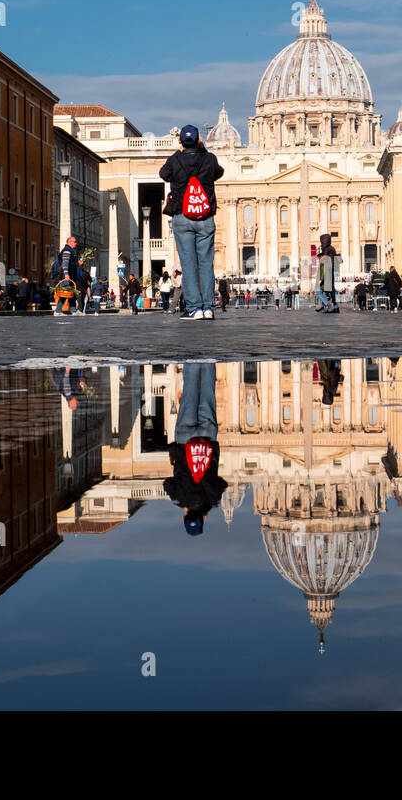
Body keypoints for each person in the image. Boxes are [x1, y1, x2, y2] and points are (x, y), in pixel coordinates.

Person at [160, 124, 224, 320]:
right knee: (206, 264)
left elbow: (163, 174)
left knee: (188, 265)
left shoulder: (175, 159)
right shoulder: (209, 158)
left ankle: (194, 308)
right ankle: (208, 308)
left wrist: (179, 153)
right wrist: (202, 150)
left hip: (182, 217)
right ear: (199, 140)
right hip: (205, 217)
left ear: (180, 141)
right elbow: (218, 172)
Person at [163, 362, 227, 536]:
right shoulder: (179, 498)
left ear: (204, 519)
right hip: (184, 441)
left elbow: (223, 483)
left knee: (207, 393)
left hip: (207, 438)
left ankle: (207, 359)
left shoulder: (213, 499)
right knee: (190, 392)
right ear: (185, 517)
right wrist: (184, 500)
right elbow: (167, 483)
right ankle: (192, 359)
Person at [54, 237, 79, 315]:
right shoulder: (67, 251)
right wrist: (66, 274)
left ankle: (74, 310)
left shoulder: (71, 251)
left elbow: (71, 263)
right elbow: (65, 263)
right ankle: (58, 311)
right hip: (66, 276)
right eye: (75, 242)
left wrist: (78, 264)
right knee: (64, 293)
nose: (76, 243)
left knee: (72, 293)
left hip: (71, 276)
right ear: (69, 242)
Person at [316, 233, 340, 313]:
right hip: (332, 270)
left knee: (323, 289)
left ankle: (326, 305)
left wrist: (321, 276)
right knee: (331, 289)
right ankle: (334, 305)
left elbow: (324, 261)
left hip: (328, 271)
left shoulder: (325, 249)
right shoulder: (332, 248)